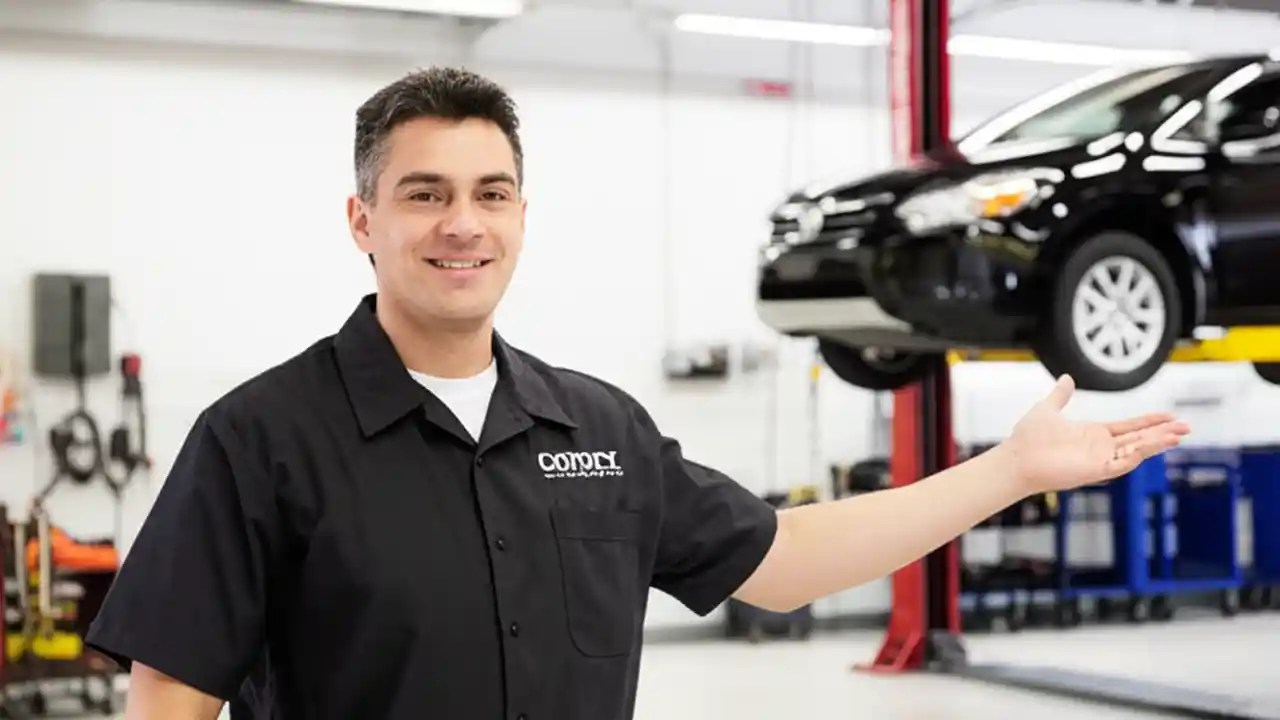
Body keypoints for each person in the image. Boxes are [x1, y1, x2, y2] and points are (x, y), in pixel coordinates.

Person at [85, 66, 1190, 720]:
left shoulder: (598, 429)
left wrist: (1006, 471)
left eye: (491, 194)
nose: (462, 223)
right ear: (362, 221)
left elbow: (786, 560)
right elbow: (172, 703)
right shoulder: (261, 441)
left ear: (521, 218)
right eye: (423, 195)